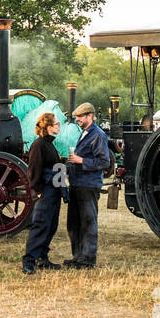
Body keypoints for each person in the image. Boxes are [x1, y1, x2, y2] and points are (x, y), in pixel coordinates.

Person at [64, 102, 113, 269]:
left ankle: (87, 259)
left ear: (89, 116)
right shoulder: (84, 132)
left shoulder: (98, 135)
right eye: (77, 117)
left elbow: (104, 162)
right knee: (74, 223)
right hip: (78, 183)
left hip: (88, 184)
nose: (77, 120)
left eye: (80, 117)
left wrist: (81, 160)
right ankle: (77, 257)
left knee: (88, 222)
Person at [21, 112, 64, 274]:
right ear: (49, 127)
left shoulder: (49, 144)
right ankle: (29, 262)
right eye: (57, 124)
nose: (59, 126)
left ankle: (42, 258)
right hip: (44, 192)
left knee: (51, 226)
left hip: (53, 191)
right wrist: (38, 192)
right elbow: (33, 170)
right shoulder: (39, 145)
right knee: (40, 226)